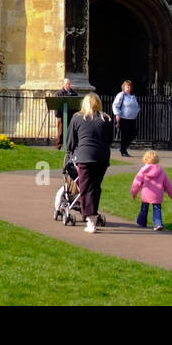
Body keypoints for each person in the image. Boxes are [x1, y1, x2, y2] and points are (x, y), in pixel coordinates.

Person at [64, 93, 112, 234]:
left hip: (85, 156)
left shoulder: (78, 118)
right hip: (102, 157)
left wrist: (71, 151)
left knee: (86, 188)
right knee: (96, 187)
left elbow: (71, 140)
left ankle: (90, 219)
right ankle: (93, 215)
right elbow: (109, 140)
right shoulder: (106, 118)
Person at [131, 149, 172, 231]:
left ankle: (141, 222)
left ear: (145, 159)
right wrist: (171, 194)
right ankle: (158, 224)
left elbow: (137, 182)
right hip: (157, 194)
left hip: (146, 193)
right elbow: (167, 184)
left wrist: (134, 192)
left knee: (144, 208)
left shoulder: (143, 170)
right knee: (157, 209)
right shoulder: (161, 171)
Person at [112, 79, 140, 156]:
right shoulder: (121, 95)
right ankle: (123, 151)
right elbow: (115, 105)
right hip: (124, 118)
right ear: (124, 87)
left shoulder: (133, 96)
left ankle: (123, 148)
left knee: (133, 134)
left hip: (132, 119)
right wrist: (117, 114)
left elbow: (136, 106)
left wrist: (136, 111)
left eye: (130, 86)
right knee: (125, 135)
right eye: (127, 86)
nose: (129, 88)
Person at [53, 77, 75, 149]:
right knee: (61, 131)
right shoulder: (59, 93)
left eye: (69, 84)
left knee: (70, 131)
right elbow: (56, 104)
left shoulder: (73, 93)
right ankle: (58, 146)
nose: (68, 85)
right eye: (66, 84)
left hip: (70, 115)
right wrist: (58, 115)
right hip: (61, 115)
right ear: (64, 84)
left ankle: (69, 145)